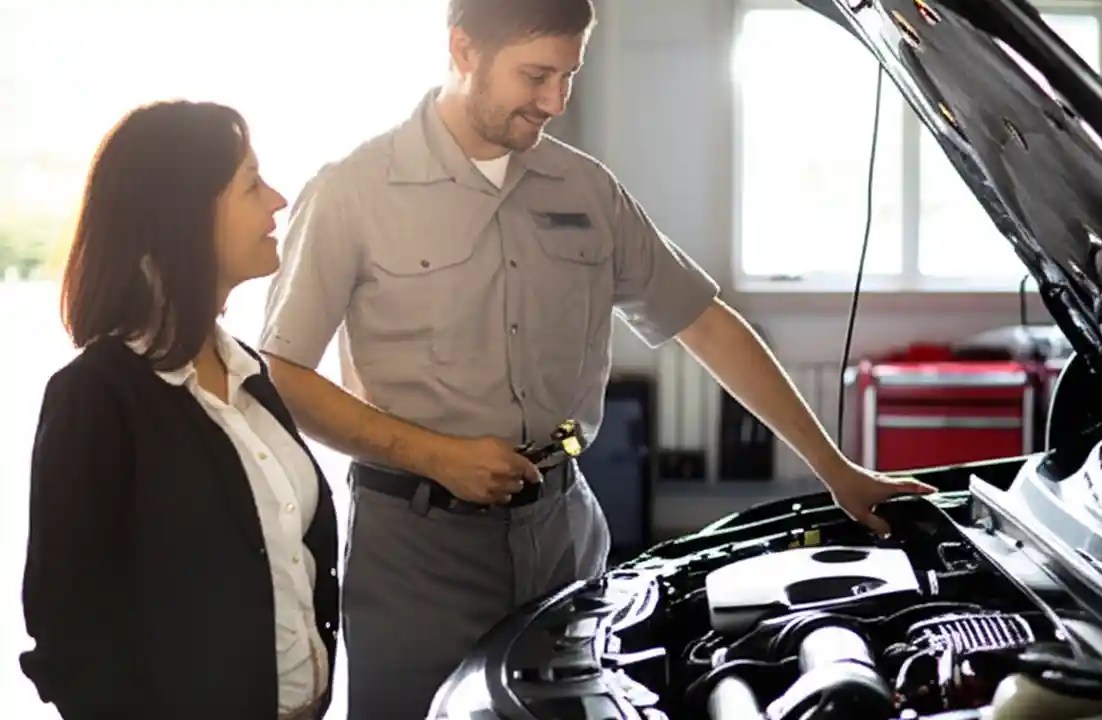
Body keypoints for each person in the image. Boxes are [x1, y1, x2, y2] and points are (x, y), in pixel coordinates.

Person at [260, 0, 935, 716]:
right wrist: (434, 455)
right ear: (462, 51)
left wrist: (836, 469)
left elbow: (704, 323)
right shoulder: (351, 191)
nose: (553, 101)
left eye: (569, 76)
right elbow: (282, 374)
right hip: (416, 551)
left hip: (564, 537)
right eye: (535, 75)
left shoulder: (587, 190)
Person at [20, 101, 339, 720]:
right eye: (251, 184)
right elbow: (69, 639)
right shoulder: (96, 398)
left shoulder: (247, 371)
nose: (277, 200)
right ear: (182, 217)